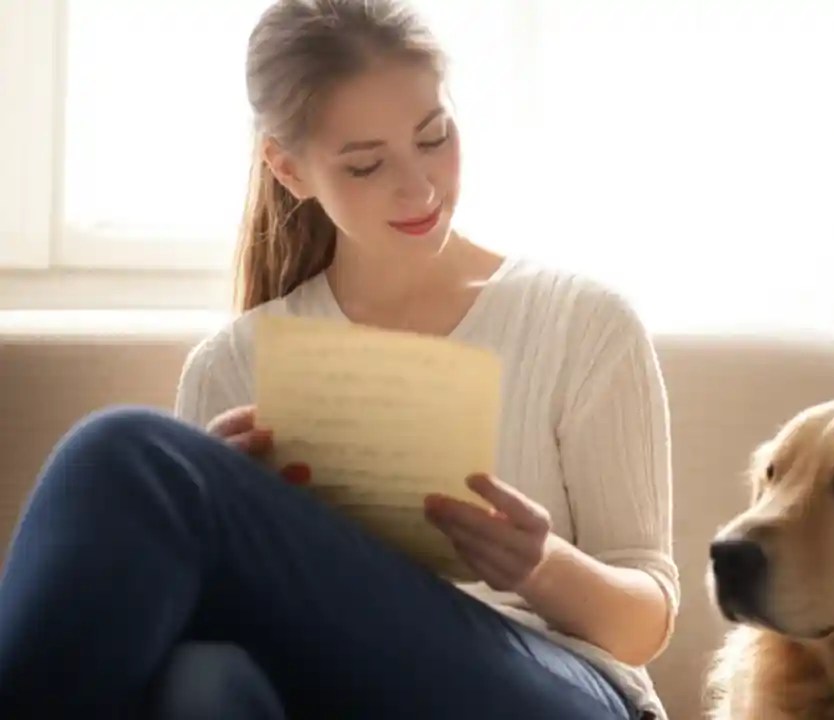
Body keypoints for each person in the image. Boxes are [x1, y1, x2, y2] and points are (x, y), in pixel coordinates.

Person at [0, 1, 677, 717]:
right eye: (365, 164)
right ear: (288, 170)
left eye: (434, 137)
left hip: (550, 688)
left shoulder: (582, 323)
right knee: (202, 684)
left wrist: (540, 565)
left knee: (124, 452)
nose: (417, 187)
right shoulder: (233, 364)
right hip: (324, 690)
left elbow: (645, 627)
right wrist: (245, 520)